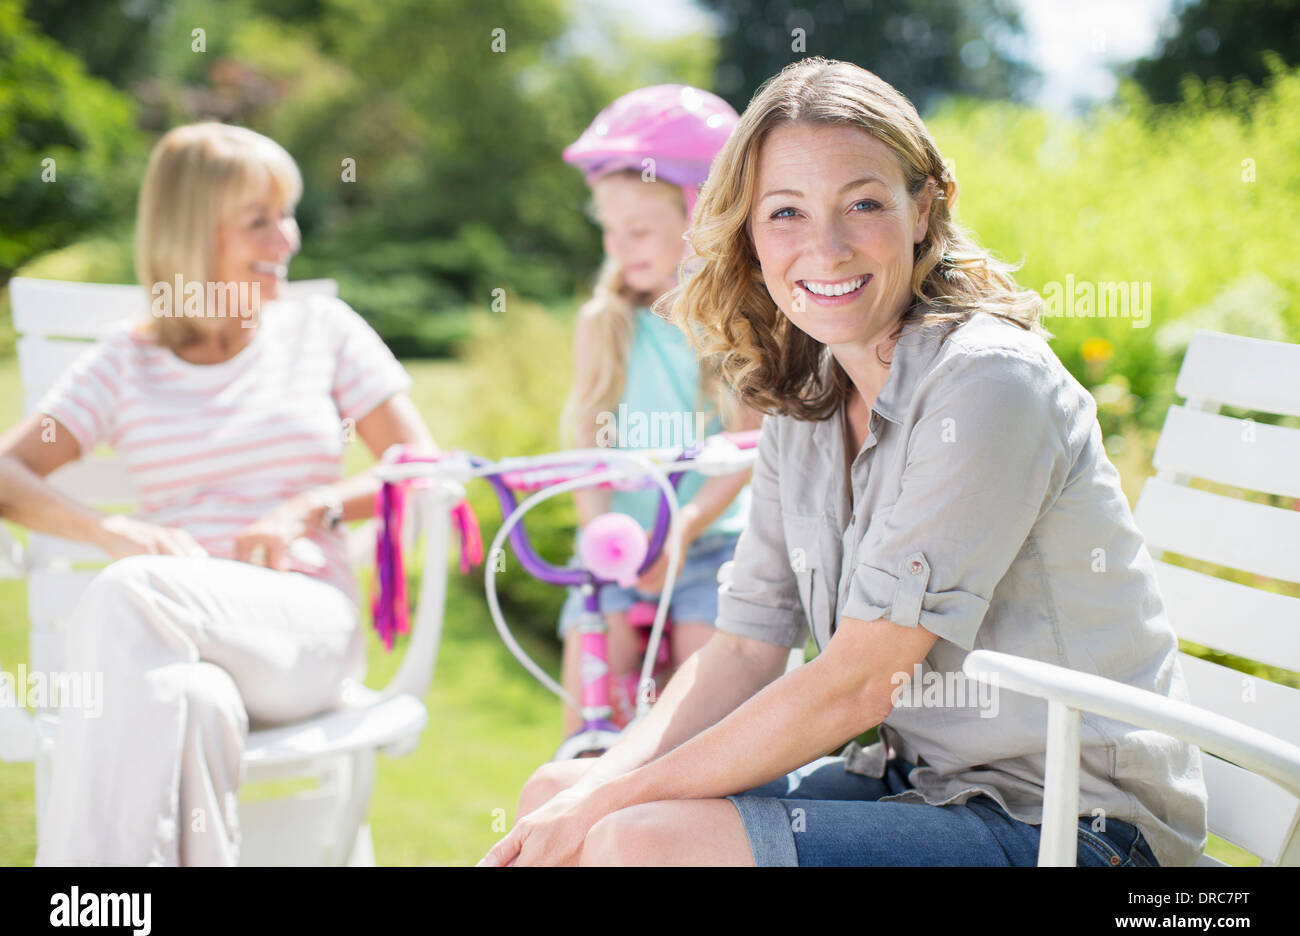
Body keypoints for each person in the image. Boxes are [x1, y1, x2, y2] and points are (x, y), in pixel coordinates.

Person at [480, 57, 1209, 867]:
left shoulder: (989, 384)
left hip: (1079, 831)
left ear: (925, 207)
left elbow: (864, 680)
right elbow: (747, 647)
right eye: (785, 213)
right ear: (749, 235)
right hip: (921, 788)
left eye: (863, 203)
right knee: (560, 792)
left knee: (638, 838)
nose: (824, 249)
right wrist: (592, 788)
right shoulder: (809, 394)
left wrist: (612, 799)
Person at [0, 121, 437, 866]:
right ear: (191, 233)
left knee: (131, 594)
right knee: (187, 702)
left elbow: (421, 467)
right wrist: (112, 531)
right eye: (260, 221)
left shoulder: (321, 330)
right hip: (174, 633)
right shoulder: (125, 361)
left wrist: (310, 507)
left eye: (287, 215)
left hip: (303, 629)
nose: (289, 239)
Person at [553, 85, 763, 739]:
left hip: (711, 545)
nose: (621, 247)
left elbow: (748, 442)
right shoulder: (606, 321)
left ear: (700, 216)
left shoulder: (736, 324)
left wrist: (685, 530)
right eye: (611, 232)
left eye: (639, 231)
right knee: (592, 716)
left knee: (697, 722)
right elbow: (587, 435)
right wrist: (602, 537)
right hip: (618, 548)